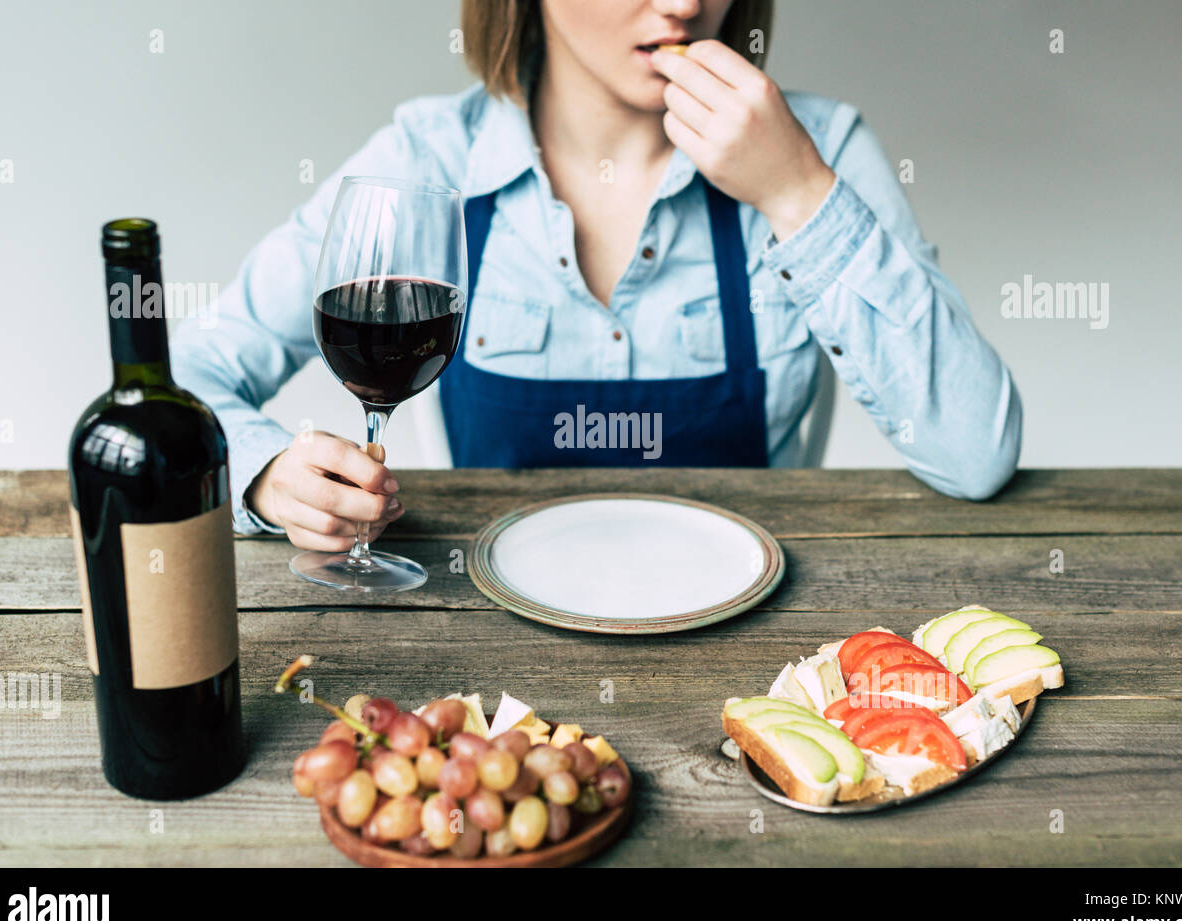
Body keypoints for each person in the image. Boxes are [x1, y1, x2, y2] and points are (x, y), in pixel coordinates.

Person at [171, 0, 1022, 551]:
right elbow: (185, 375)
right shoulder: (431, 160)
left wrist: (797, 192)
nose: (688, 3)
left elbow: (975, 454)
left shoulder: (821, 150)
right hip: (493, 674)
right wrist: (263, 475)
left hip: (755, 661)